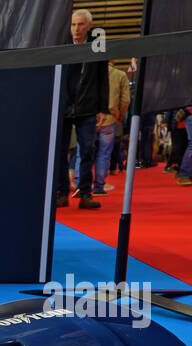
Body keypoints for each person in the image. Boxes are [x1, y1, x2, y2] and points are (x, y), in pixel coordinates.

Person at [56, 9, 107, 210]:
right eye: (73, 25)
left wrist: (103, 108)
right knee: (60, 152)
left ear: (89, 26)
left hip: (88, 108)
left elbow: (102, 79)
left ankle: (85, 193)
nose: (76, 29)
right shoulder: (63, 43)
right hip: (64, 107)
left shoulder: (98, 41)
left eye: (81, 25)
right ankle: (62, 192)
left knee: (87, 150)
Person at [78, 61, 130, 196]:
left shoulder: (88, 72)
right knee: (104, 154)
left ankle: (80, 184)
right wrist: (120, 115)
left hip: (88, 117)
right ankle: (99, 186)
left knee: (83, 151)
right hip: (110, 118)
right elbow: (125, 100)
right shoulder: (120, 75)